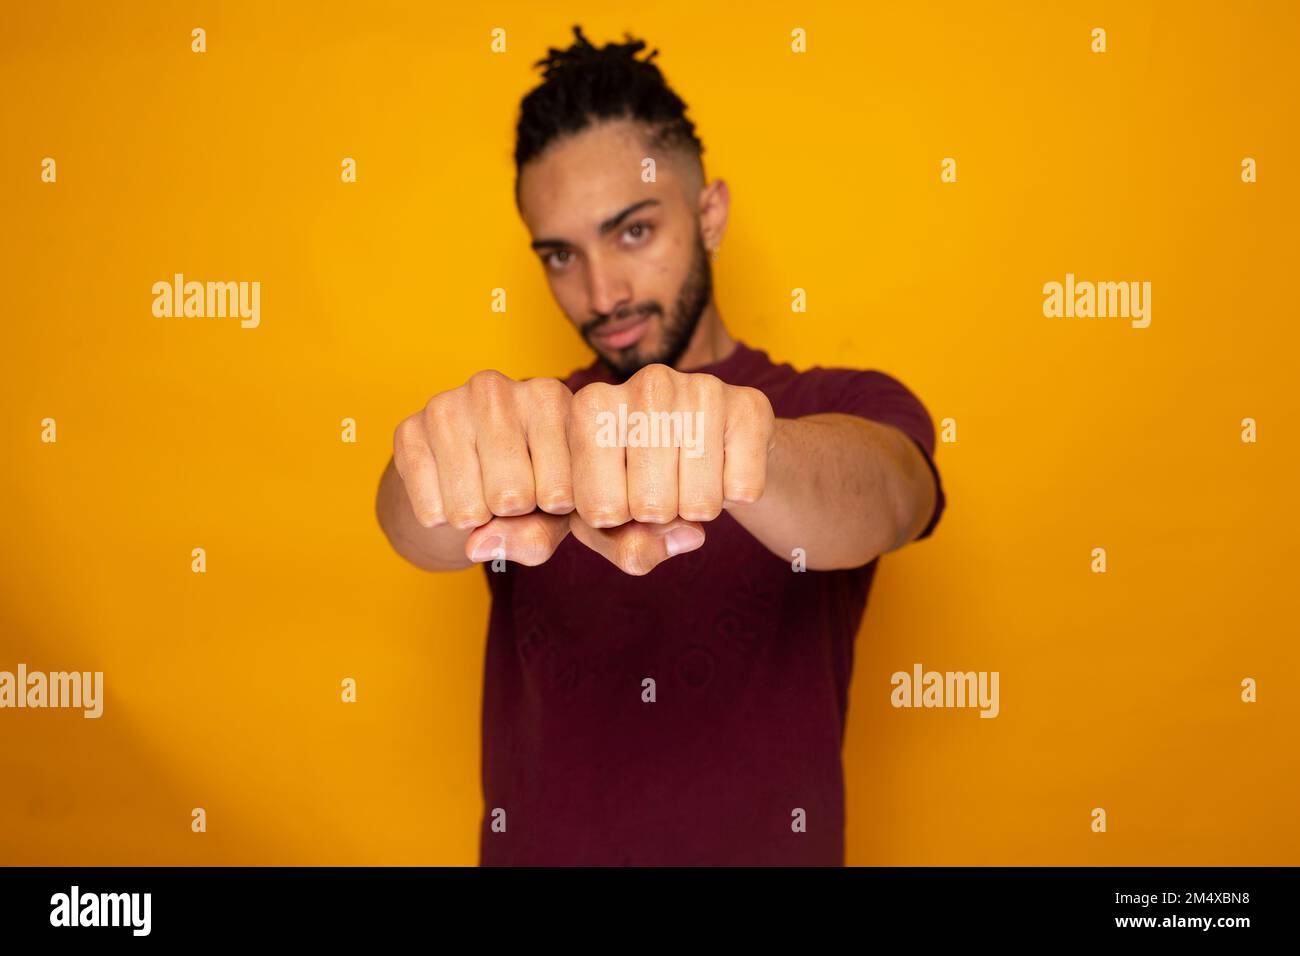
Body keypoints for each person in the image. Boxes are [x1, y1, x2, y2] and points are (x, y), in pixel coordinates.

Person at [375, 25, 947, 865]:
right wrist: (435, 460)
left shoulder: (838, 405)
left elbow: (895, 498)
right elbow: (407, 519)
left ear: (709, 215)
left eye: (633, 232)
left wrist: (736, 445)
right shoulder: (537, 430)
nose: (602, 293)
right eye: (560, 255)